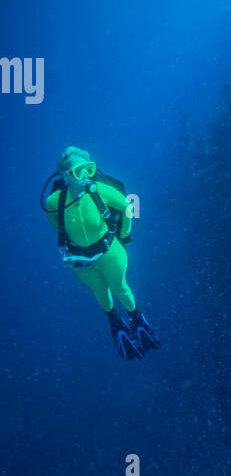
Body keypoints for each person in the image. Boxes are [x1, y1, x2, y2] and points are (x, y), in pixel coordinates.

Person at [43, 147, 161, 361]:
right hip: (82, 260)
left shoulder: (100, 190)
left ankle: (137, 320)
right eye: (79, 172)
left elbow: (127, 206)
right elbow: (56, 223)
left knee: (120, 287)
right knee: (99, 292)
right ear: (66, 177)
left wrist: (124, 235)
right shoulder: (54, 201)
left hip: (110, 252)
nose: (86, 176)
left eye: (89, 169)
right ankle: (116, 323)